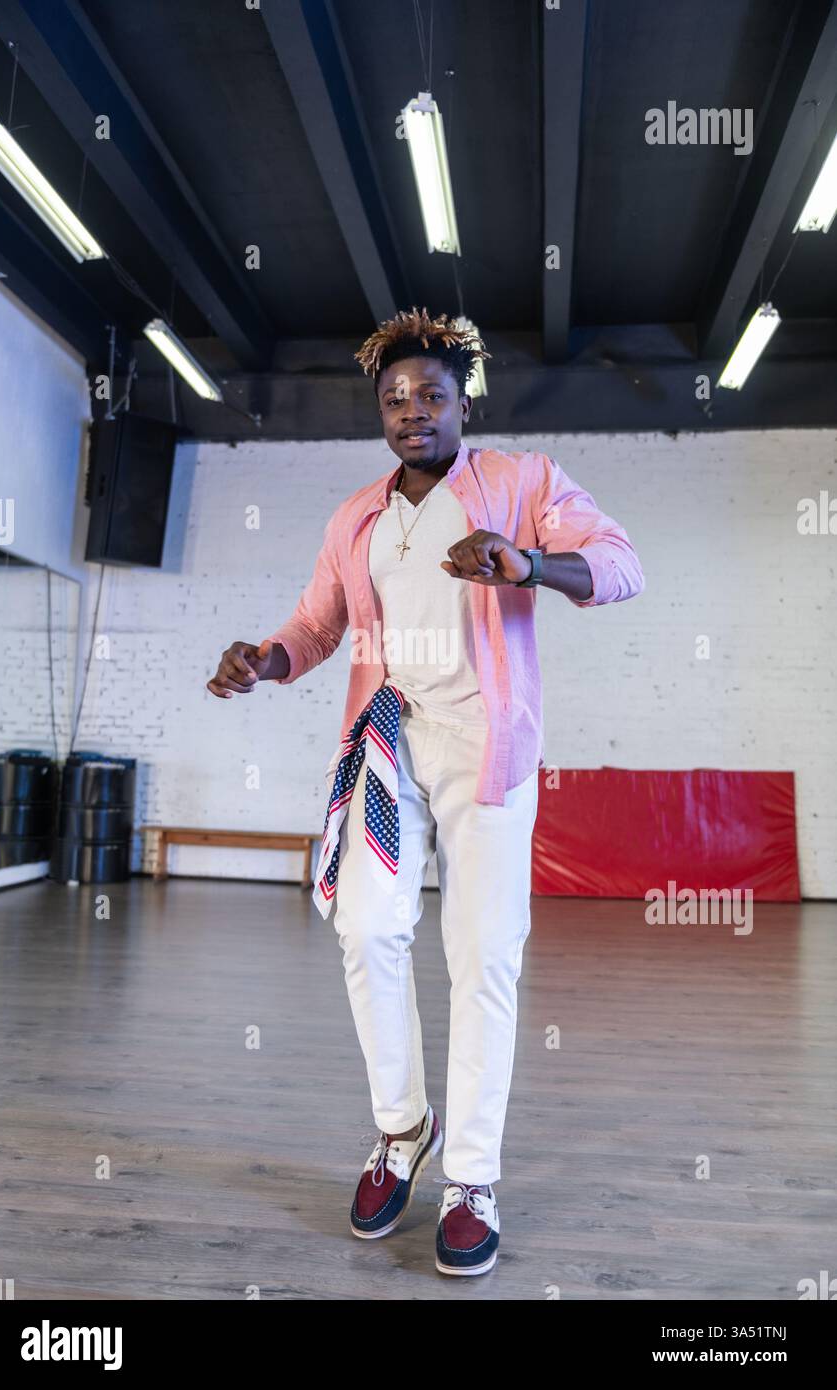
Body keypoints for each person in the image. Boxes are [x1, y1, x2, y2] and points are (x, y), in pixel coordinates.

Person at [207, 306, 645, 1277]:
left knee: (482, 955)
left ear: (462, 404)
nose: (413, 411)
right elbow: (316, 625)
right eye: (395, 398)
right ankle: (403, 1129)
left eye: (431, 395)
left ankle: (471, 1178)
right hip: (389, 742)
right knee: (366, 929)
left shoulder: (523, 485)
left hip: (487, 747)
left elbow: (622, 565)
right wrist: (266, 658)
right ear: (381, 411)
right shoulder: (357, 519)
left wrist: (528, 563)